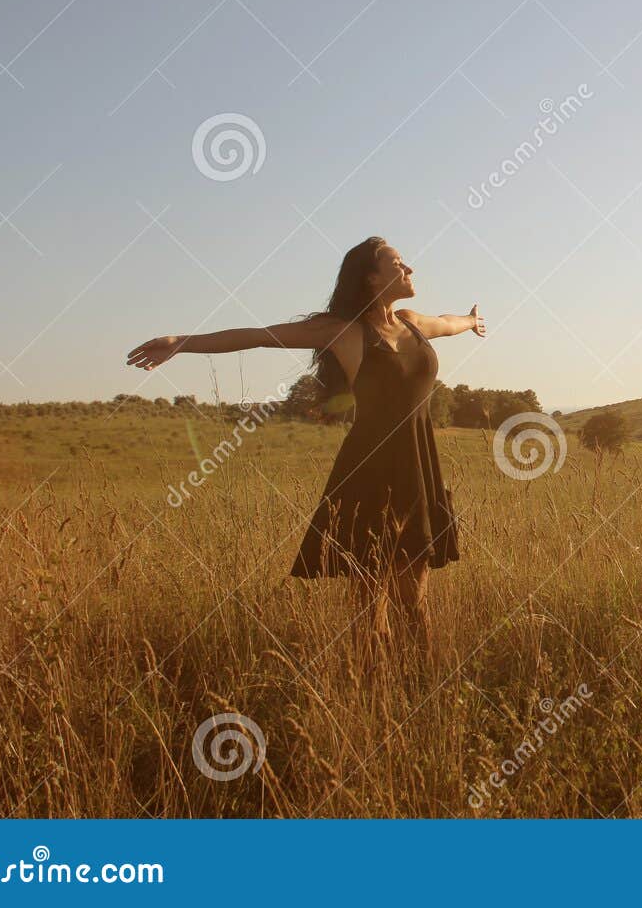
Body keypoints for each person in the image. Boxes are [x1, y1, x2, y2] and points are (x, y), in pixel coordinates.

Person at [126, 237, 484, 664]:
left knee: (414, 595)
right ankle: (371, 685)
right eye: (398, 263)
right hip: (369, 468)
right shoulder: (342, 331)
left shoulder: (412, 322)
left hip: (419, 467)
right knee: (370, 600)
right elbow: (258, 337)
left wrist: (471, 319)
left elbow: (449, 321)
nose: (409, 269)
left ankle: (424, 679)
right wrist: (182, 341)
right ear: (371, 278)